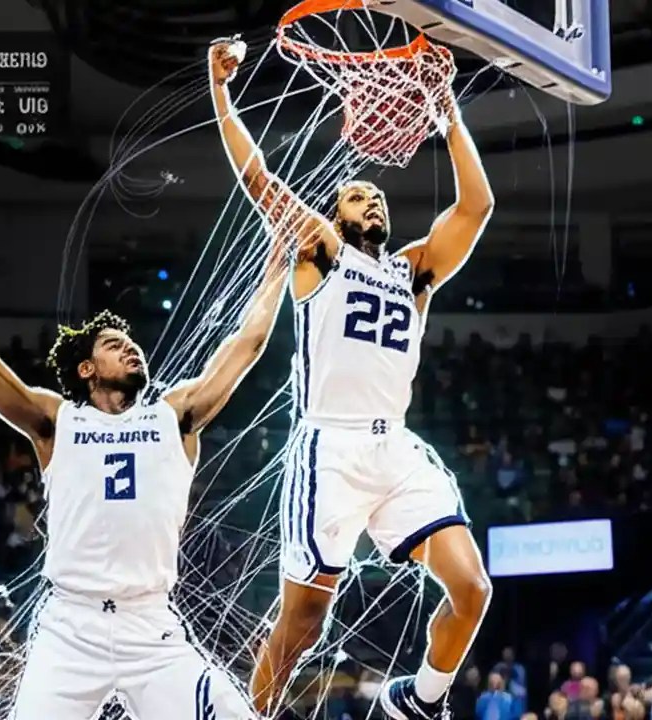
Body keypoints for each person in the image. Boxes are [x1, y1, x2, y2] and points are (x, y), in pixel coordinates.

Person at [0, 159, 286, 719]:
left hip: (151, 626)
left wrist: (276, 263)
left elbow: (245, 347)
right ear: (85, 370)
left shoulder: (174, 416)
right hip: (69, 630)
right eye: (113, 343)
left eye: (131, 343)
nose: (131, 347)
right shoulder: (57, 422)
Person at [208, 35, 495, 720]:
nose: (375, 203)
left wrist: (446, 110)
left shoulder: (414, 268)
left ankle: (421, 701)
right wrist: (220, 92)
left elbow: (476, 206)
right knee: (305, 619)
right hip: (328, 449)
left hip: (394, 447)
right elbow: (259, 182)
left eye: (380, 199)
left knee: (473, 589)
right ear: (337, 215)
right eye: (360, 195)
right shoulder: (320, 252)